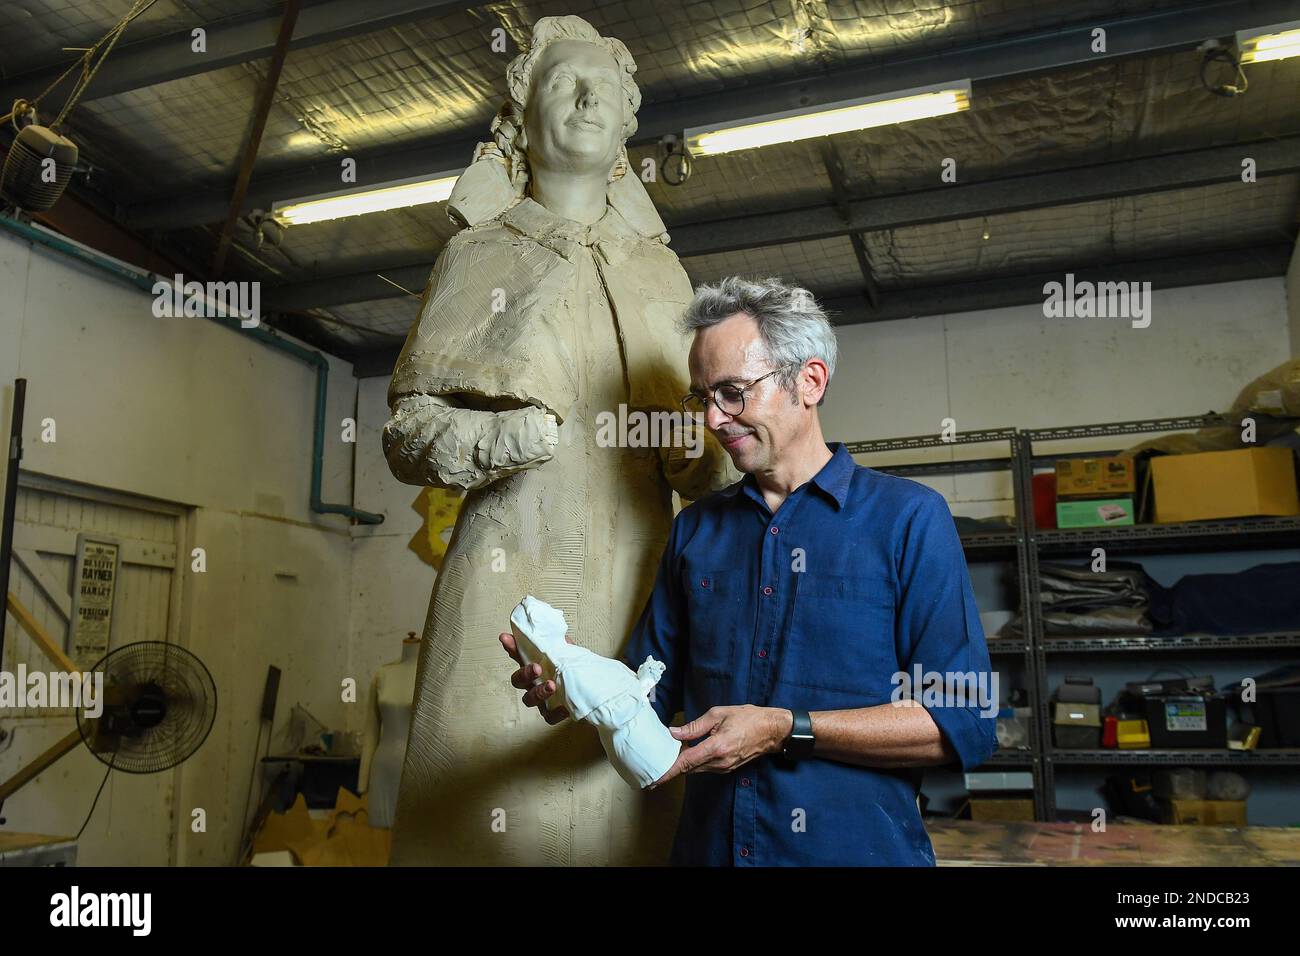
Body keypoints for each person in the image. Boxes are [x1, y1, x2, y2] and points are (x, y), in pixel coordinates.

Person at [383, 15, 735, 866]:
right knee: (481, 810)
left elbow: (716, 458)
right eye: (562, 83)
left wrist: (699, 452)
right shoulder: (477, 255)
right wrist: (502, 438)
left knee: (629, 806)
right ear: (522, 111)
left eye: (605, 89)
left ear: (626, 126)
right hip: (506, 588)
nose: (585, 100)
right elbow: (405, 436)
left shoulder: (663, 272)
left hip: (641, 587)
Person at [503, 275, 998, 865]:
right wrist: (573, 686)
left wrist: (786, 727)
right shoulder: (695, 531)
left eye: (733, 392)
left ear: (809, 381)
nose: (713, 420)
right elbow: (644, 698)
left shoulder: (909, 520)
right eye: (702, 397)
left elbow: (962, 722)